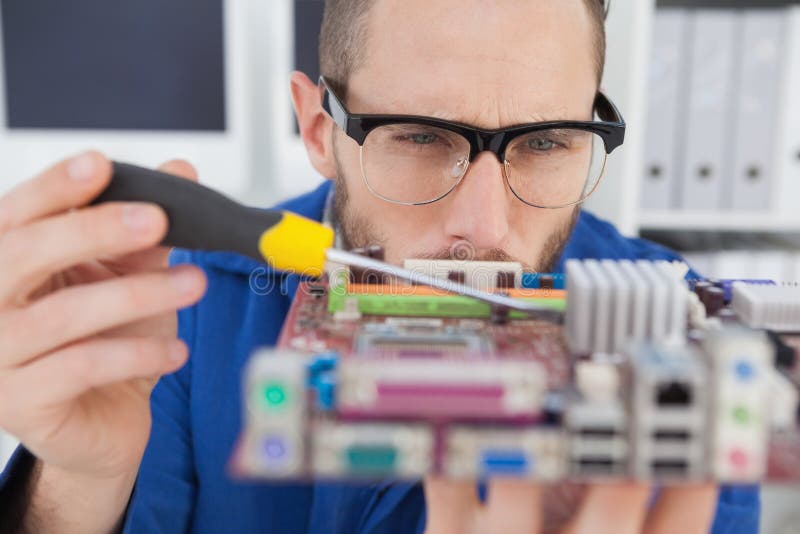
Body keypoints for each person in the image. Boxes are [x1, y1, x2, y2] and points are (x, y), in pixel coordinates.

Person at [0, 1, 759, 532]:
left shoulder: (686, 340)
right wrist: (75, 484)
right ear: (318, 128)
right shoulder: (182, 303)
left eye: (547, 142)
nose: (483, 231)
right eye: (422, 138)